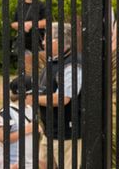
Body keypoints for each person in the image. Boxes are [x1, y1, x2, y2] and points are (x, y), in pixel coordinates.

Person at [37, 23, 82, 168]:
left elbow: (63, 98)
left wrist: (34, 99)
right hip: (49, 133)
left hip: (67, 136)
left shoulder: (72, 65)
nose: (43, 43)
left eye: (47, 38)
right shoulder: (52, 62)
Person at [12, 0, 51, 75]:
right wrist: (22, 25)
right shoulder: (20, 6)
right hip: (24, 43)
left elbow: (46, 21)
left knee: (41, 69)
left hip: (38, 42)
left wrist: (31, 24)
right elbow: (13, 23)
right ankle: (27, 85)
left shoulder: (41, 5)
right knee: (26, 69)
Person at [4, 76, 38, 169]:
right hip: (15, 164)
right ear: (25, 95)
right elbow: (3, 139)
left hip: (30, 162)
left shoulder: (30, 109)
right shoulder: (7, 112)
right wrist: (26, 130)